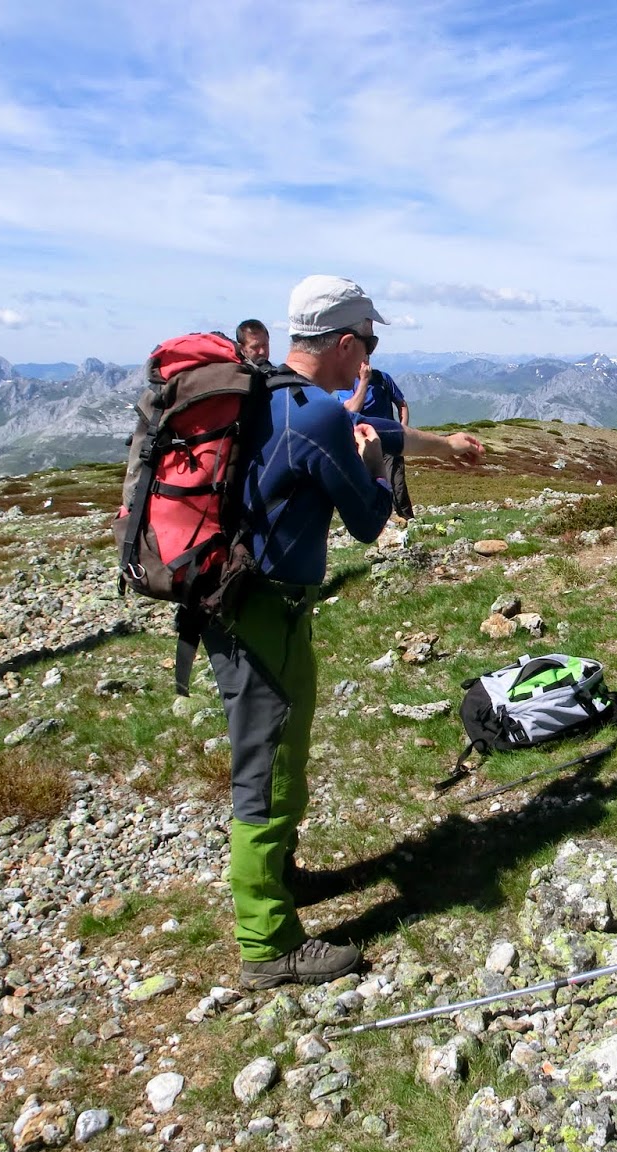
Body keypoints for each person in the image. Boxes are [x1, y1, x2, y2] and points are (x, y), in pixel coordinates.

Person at [205, 275, 485, 990]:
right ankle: (266, 943)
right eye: (370, 342)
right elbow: (367, 519)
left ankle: (281, 873)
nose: (370, 356)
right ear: (346, 344)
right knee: (266, 766)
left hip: (249, 603)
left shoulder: (270, 391)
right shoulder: (318, 415)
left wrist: (441, 444)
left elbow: (372, 429)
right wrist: (371, 469)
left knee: (282, 745)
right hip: (261, 610)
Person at [337, 362, 414, 520]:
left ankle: (407, 520)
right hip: (363, 444)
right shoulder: (347, 383)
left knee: (396, 484)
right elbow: (352, 410)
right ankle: (380, 523)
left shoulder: (382, 378)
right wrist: (364, 381)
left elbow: (402, 404)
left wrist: (401, 430)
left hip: (389, 441)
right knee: (369, 484)